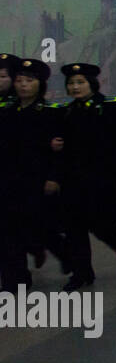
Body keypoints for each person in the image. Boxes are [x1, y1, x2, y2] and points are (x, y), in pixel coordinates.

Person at [56, 62, 116, 290]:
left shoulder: (111, 107)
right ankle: (82, 274)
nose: (75, 87)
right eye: (71, 83)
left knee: (102, 225)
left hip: (101, 179)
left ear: (92, 83)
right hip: (72, 180)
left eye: (80, 82)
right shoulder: (67, 112)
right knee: (74, 229)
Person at [0, 59, 62, 293]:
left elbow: (59, 152)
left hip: (36, 182)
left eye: (29, 81)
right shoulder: (7, 113)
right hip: (7, 182)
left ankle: (68, 259)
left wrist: (53, 177)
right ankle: (12, 282)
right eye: (18, 81)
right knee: (7, 235)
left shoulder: (50, 113)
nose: (23, 85)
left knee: (34, 230)